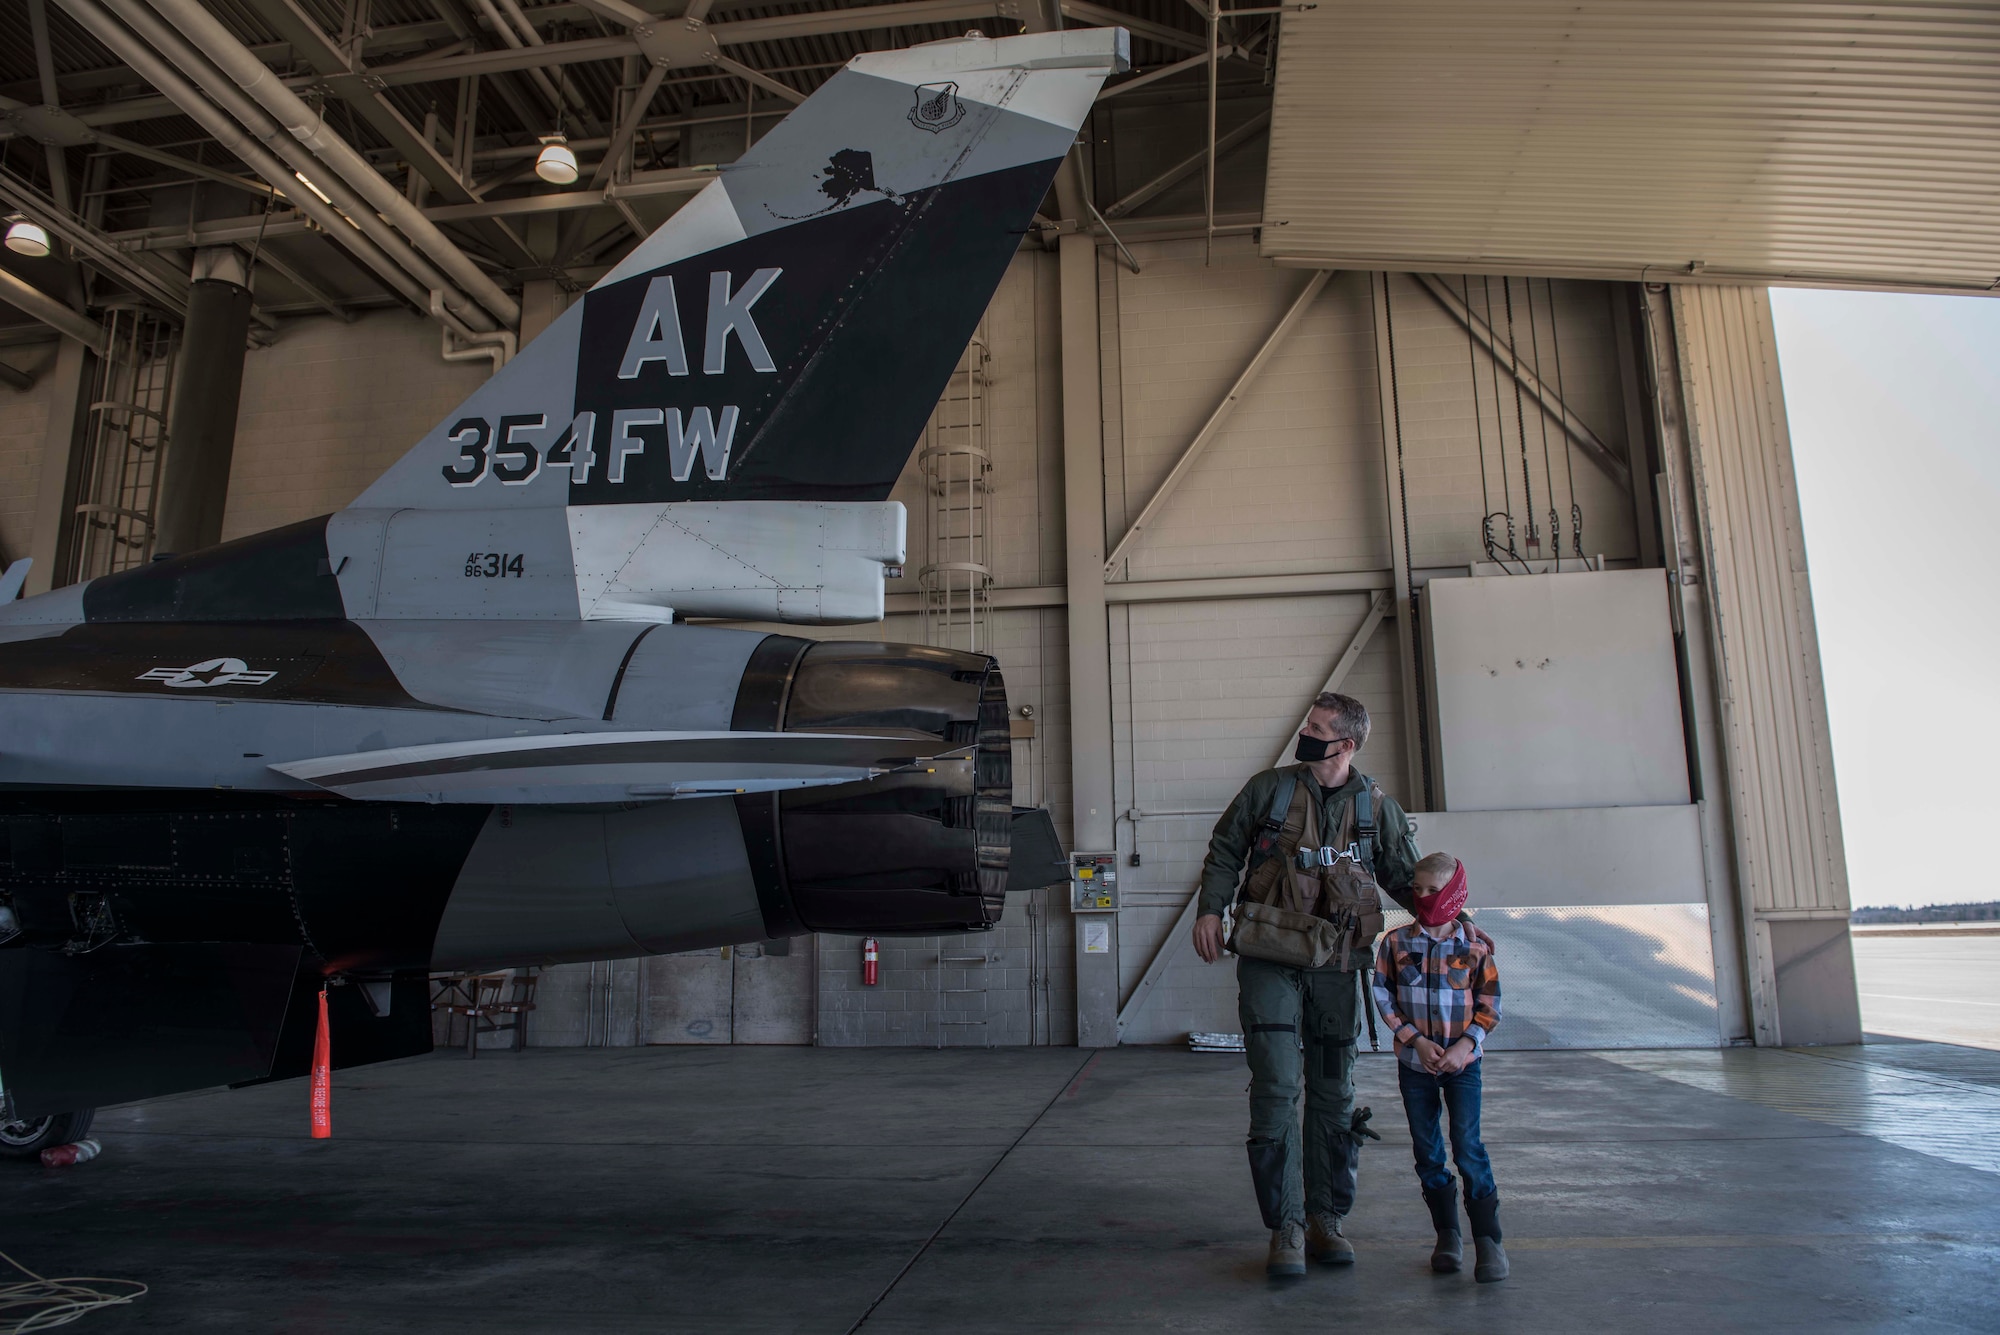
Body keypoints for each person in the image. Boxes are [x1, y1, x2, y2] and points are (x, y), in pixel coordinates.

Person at [1192, 692, 1421, 1278]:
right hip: (1270, 954)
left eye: (1318, 728)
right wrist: (1210, 911)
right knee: (1274, 1085)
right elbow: (1224, 851)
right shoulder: (1268, 790)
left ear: (1345, 745)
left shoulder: (1375, 807)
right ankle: (1286, 1228)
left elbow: (1405, 877)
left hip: (1340, 962)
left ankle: (1326, 1219)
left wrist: (1448, 920)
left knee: (1333, 1090)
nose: (1307, 732)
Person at [1371, 852, 1508, 1283]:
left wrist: (1468, 1044)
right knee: (1427, 1150)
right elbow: (1384, 996)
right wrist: (1415, 1041)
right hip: (1416, 1066)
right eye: (1419, 889)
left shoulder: (1474, 948)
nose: (1424, 897)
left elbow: (1491, 1004)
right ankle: (1447, 1236)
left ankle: (1489, 1243)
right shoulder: (1394, 944)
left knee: (1467, 1147)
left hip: (1463, 1065)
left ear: (1454, 894)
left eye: (1434, 890)